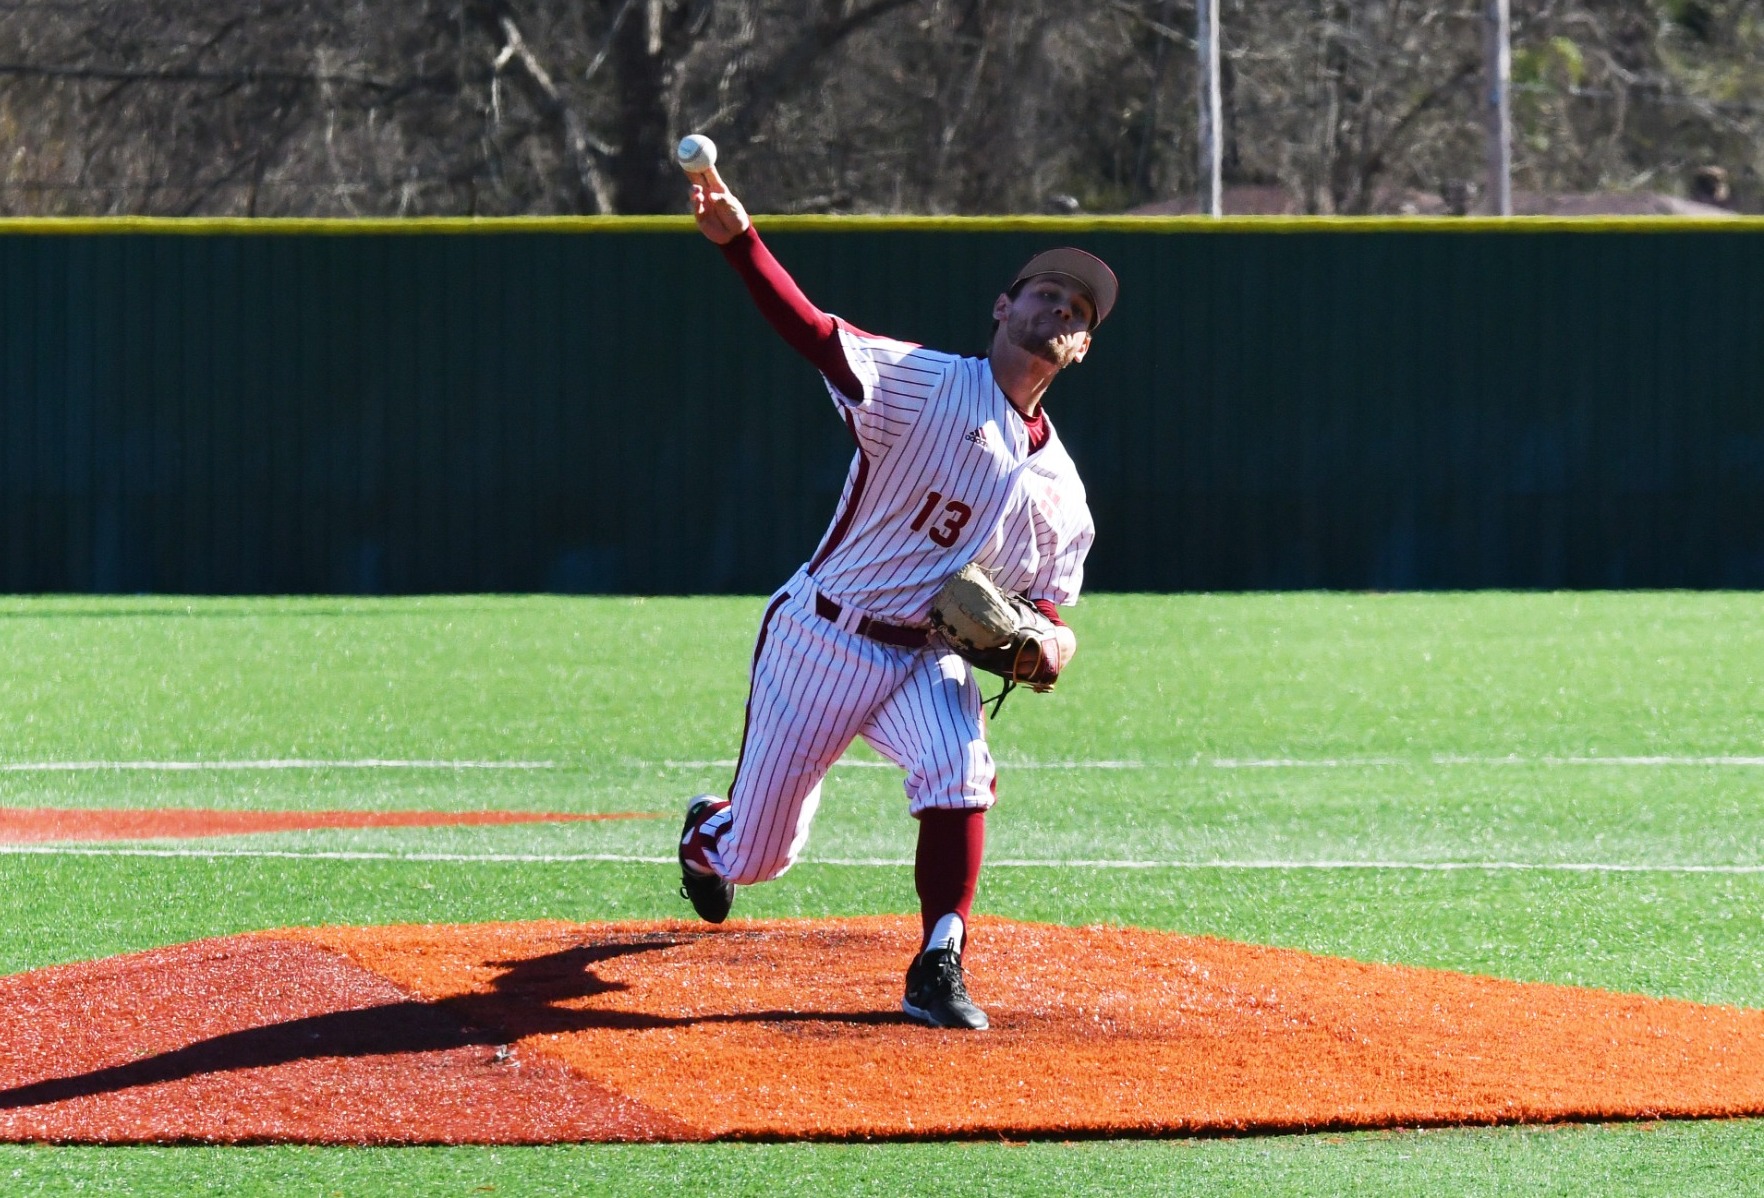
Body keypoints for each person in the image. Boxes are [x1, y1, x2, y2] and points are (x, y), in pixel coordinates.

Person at [676, 168, 1114, 1031]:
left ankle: (938, 962)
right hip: (824, 635)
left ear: (1081, 350)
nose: (1061, 309)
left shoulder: (1062, 490)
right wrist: (741, 243)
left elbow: (1047, 608)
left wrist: (1052, 644)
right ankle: (707, 834)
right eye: (1046, 293)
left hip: (926, 656)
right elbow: (813, 333)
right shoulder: (927, 382)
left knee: (961, 771)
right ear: (1003, 308)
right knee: (760, 858)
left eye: (1078, 311)